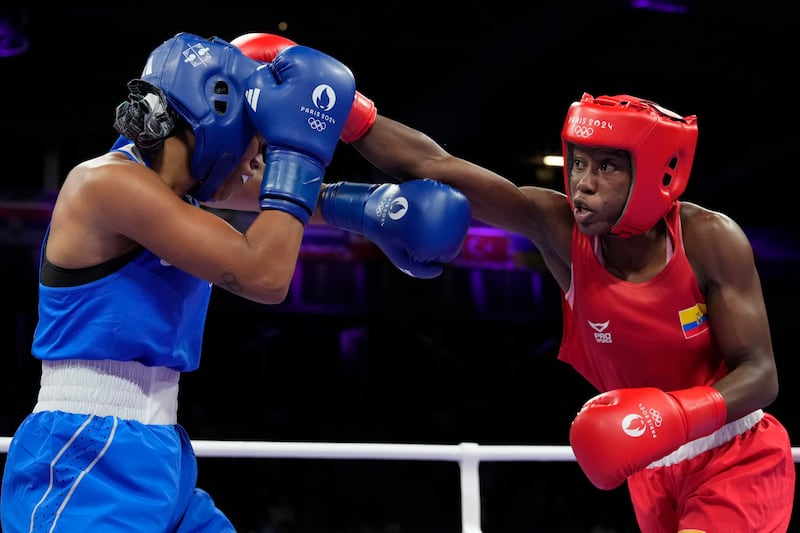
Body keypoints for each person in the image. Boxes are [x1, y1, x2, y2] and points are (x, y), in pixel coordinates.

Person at [233, 33, 796, 532]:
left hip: (734, 453)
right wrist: (348, 114)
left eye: (607, 167)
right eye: (578, 163)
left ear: (654, 174)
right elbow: (441, 167)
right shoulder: (558, 229)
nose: (582, 184)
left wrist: (672, 417)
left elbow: (762, 373)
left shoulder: (709, 239)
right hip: (650, 467)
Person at [0, 32, 471, 532]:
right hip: (83, 458)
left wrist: (373, 208)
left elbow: (283, 195)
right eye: (257, 142)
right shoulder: (105, 184)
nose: (257, 162)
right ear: (217, 119)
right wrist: (299, 147)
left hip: (158, 451)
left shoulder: (175, 189)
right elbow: (265, 275)